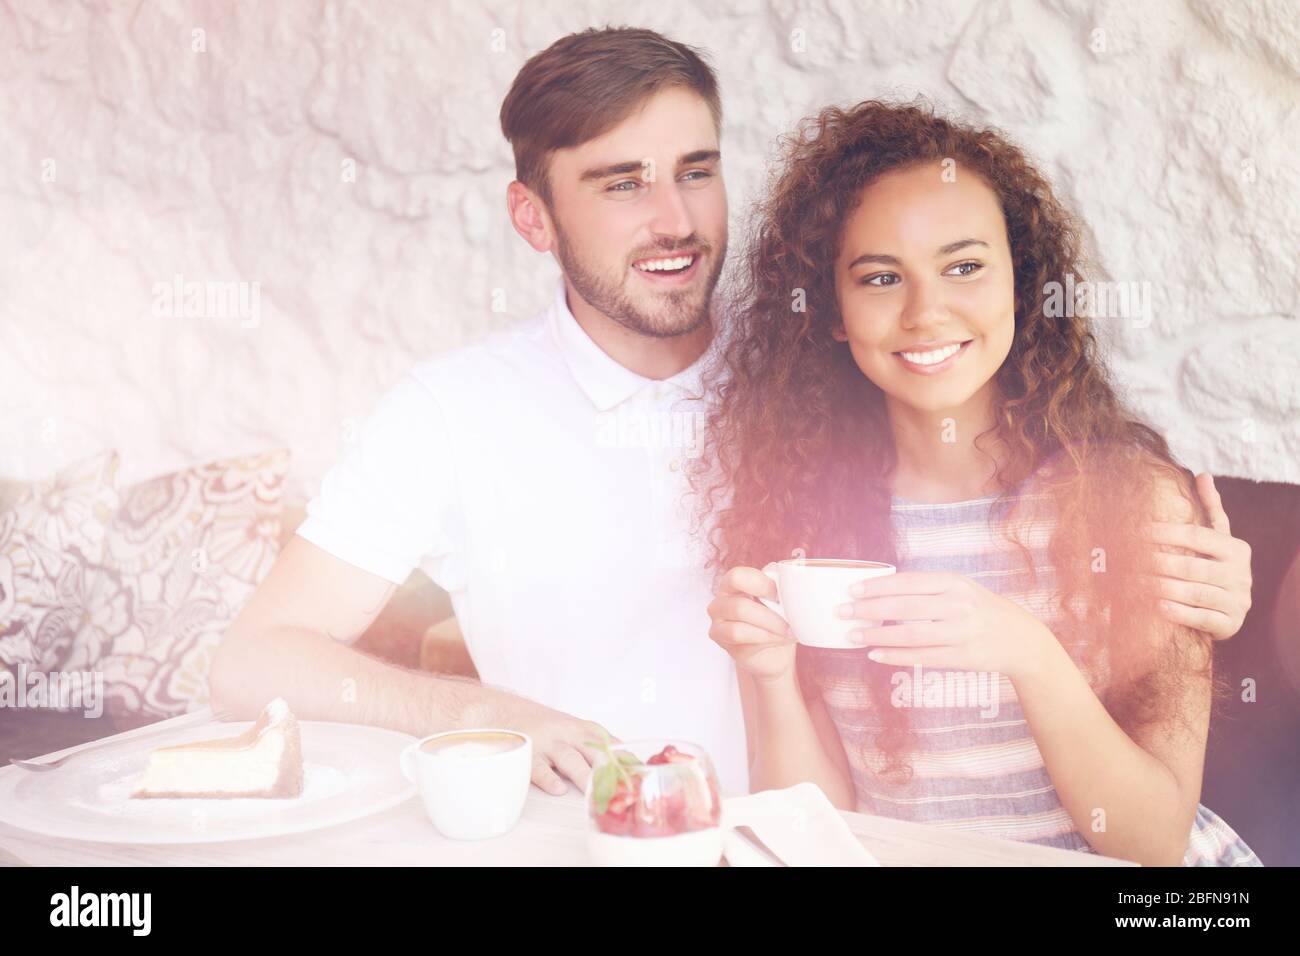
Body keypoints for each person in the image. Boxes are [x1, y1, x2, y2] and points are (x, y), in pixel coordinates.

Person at [211, 27, 1254, 805]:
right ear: (533, 216)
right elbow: (250, 659)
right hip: (606, 841)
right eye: (621, 184)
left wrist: (1190, 575)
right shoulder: (450, 410)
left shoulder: (836, 367)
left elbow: (1024, 467)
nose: (673, 222)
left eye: (695, 172)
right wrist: (486, 712)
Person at [696, 99, 1259, 864]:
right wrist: (767, 676)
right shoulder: (803, 517)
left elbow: (1153, 841)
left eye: (964, 267)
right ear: (832, 311)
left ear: (1021, 286)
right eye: (881, 277)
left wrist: (1025, 650)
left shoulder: (1137, 505)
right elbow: (820, 830)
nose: (927, 313)